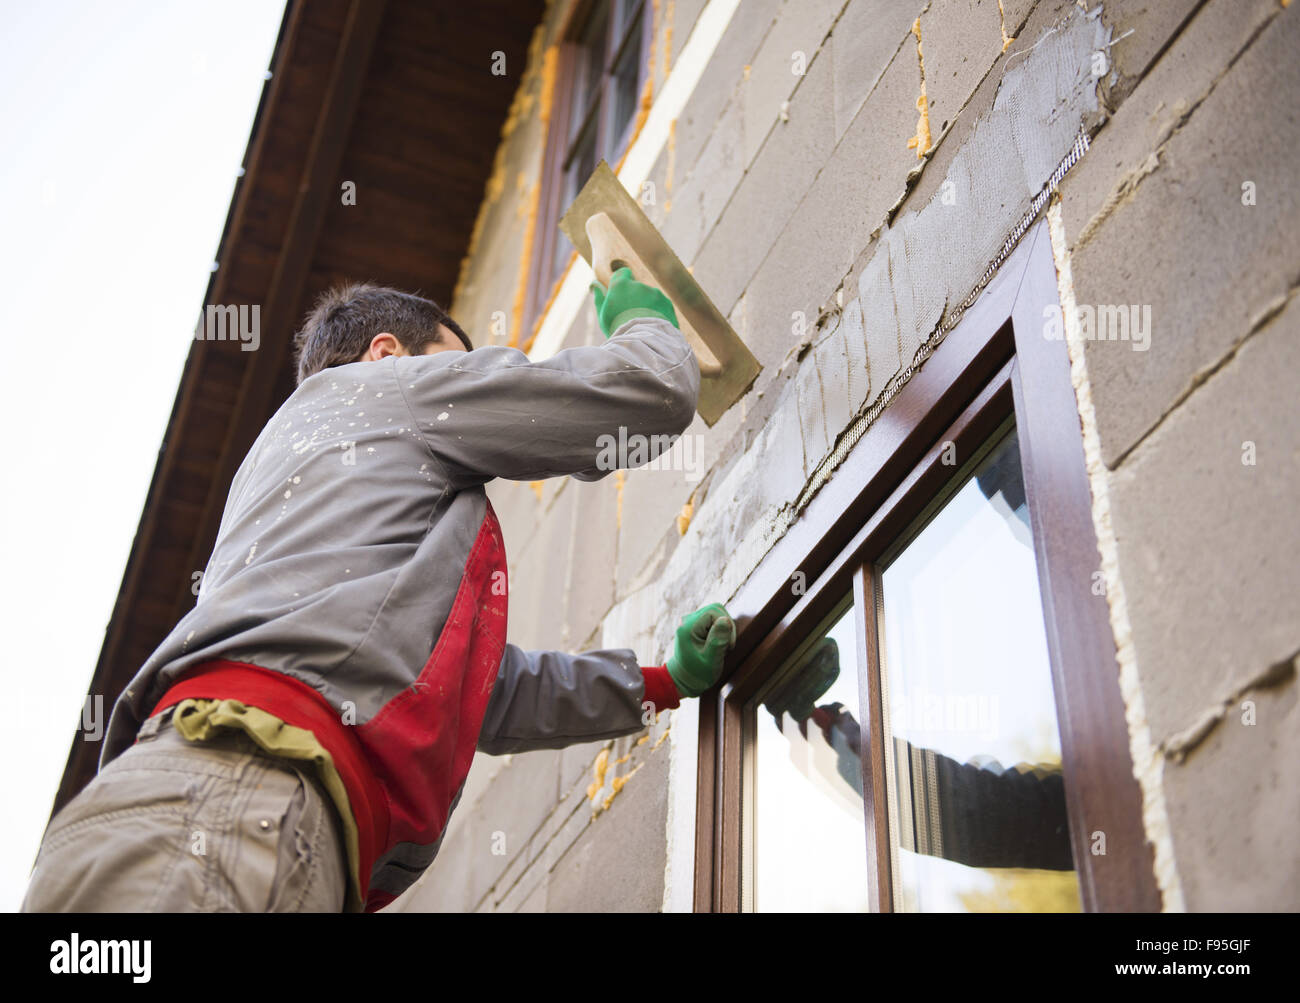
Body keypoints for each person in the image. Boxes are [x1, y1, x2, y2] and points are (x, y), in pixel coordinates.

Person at [23, 268, 737, 913]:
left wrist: (659, 682)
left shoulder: (294, 473)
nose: (483, 385)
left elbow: (475, 691)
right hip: (236, 807)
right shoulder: (380, 392)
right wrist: (647, 325)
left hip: (183, 807)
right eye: (463, 369)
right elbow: (645, 395)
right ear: (388, 354)